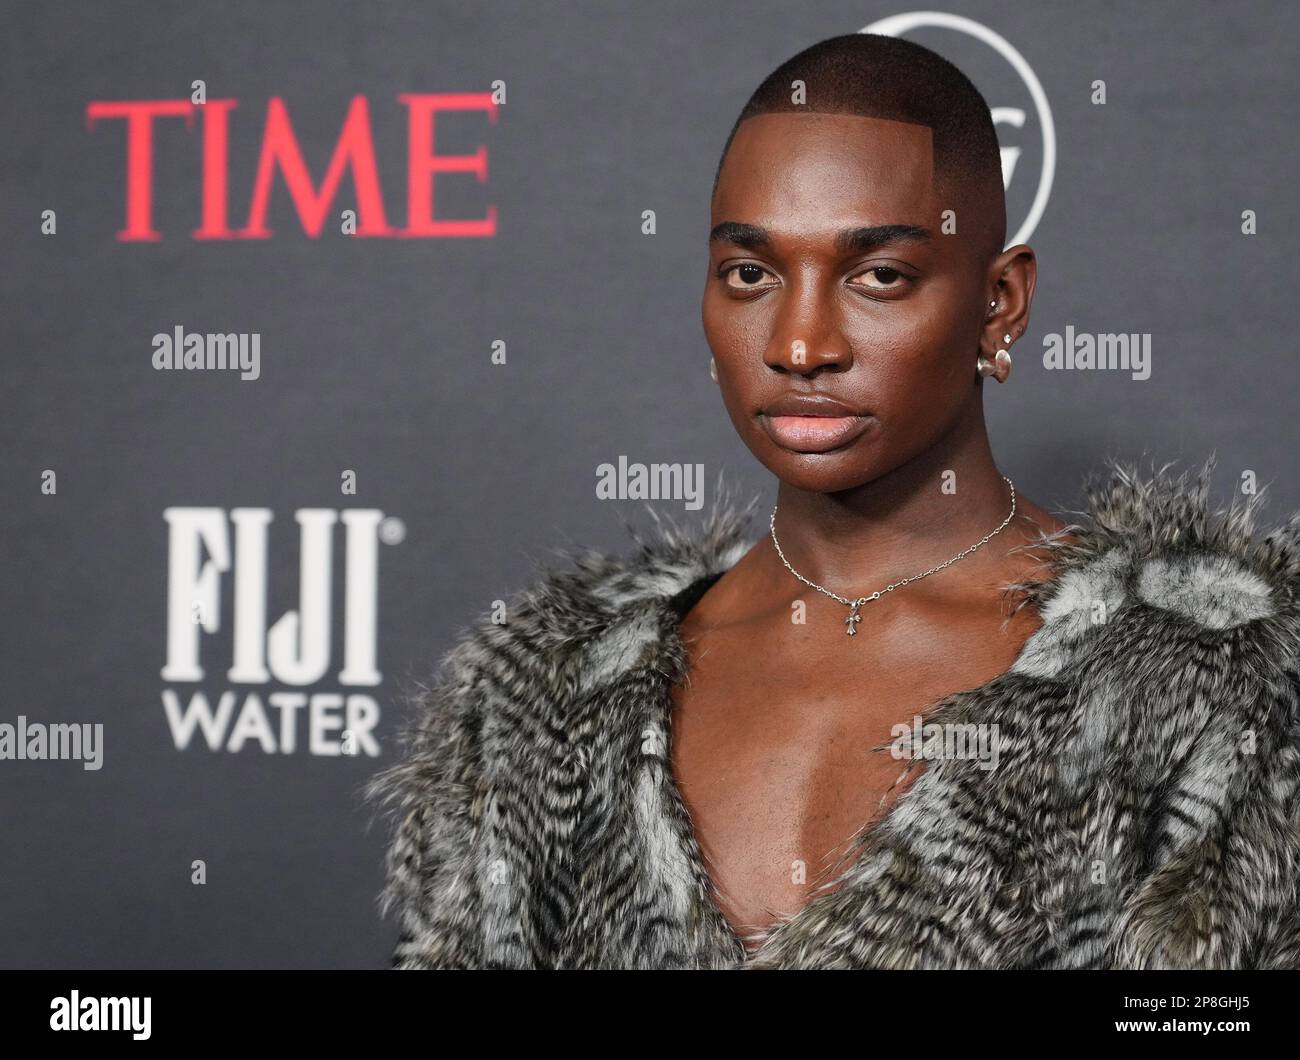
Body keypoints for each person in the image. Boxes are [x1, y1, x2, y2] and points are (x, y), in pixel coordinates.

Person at [367, 32, 1300, 969]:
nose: (802, 344)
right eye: (751, 275)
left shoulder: (1218, 683)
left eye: (878, 277)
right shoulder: (545, 696)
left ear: (1001, 301)